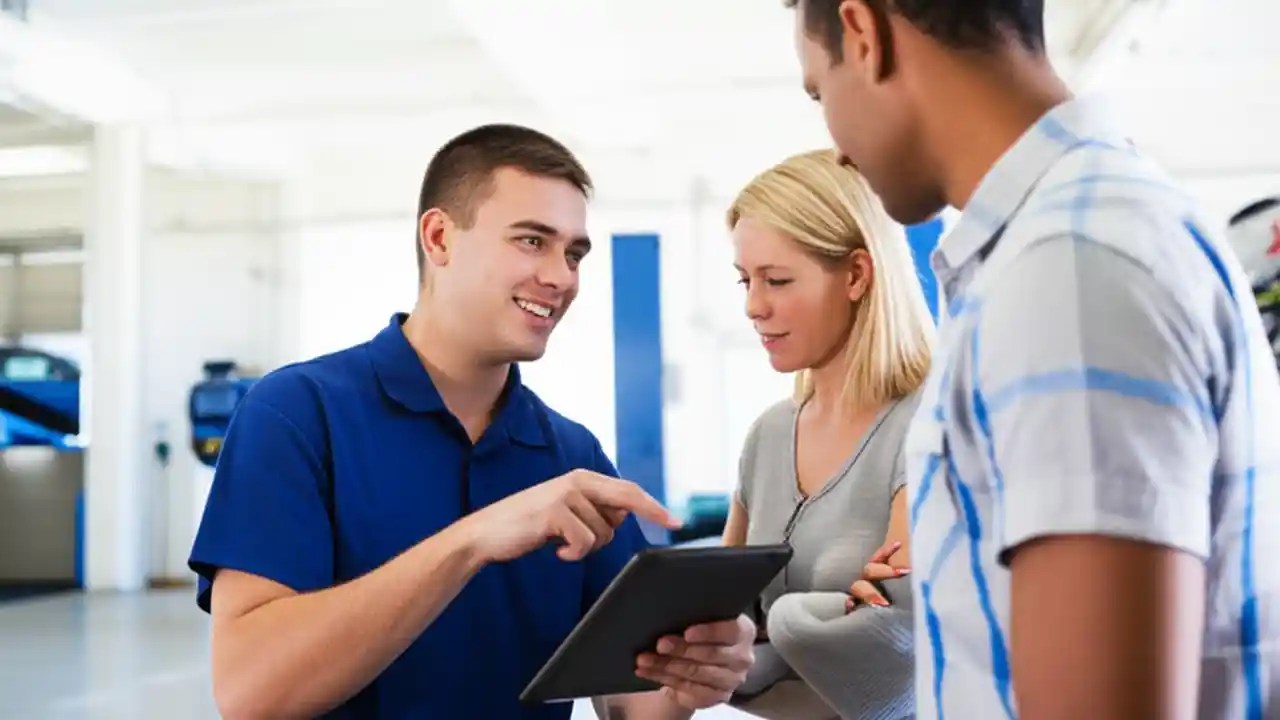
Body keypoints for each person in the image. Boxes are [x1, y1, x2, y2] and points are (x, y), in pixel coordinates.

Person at [786, 1, 1280, 719]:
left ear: (864, 34)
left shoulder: (1067, 265)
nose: (834, 143)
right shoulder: (1092, 230)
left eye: (817, 92)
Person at [188, 123, 757, 720]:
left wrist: (692, 675)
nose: (562, 277)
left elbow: (629, 705)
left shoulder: (569, 454)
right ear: (439, 238)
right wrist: (474, 539)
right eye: (532, 241)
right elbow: (253, 694)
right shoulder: (297, 414)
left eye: (574, 252)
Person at [721, 149, 934, 720]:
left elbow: (896, 657)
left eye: (777, 280)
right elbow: (720, 630)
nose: (753, 306)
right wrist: (818, 621)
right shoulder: (766, 438)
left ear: (857, 275)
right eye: (746, 280)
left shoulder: (929, 426)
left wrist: (779, 633)